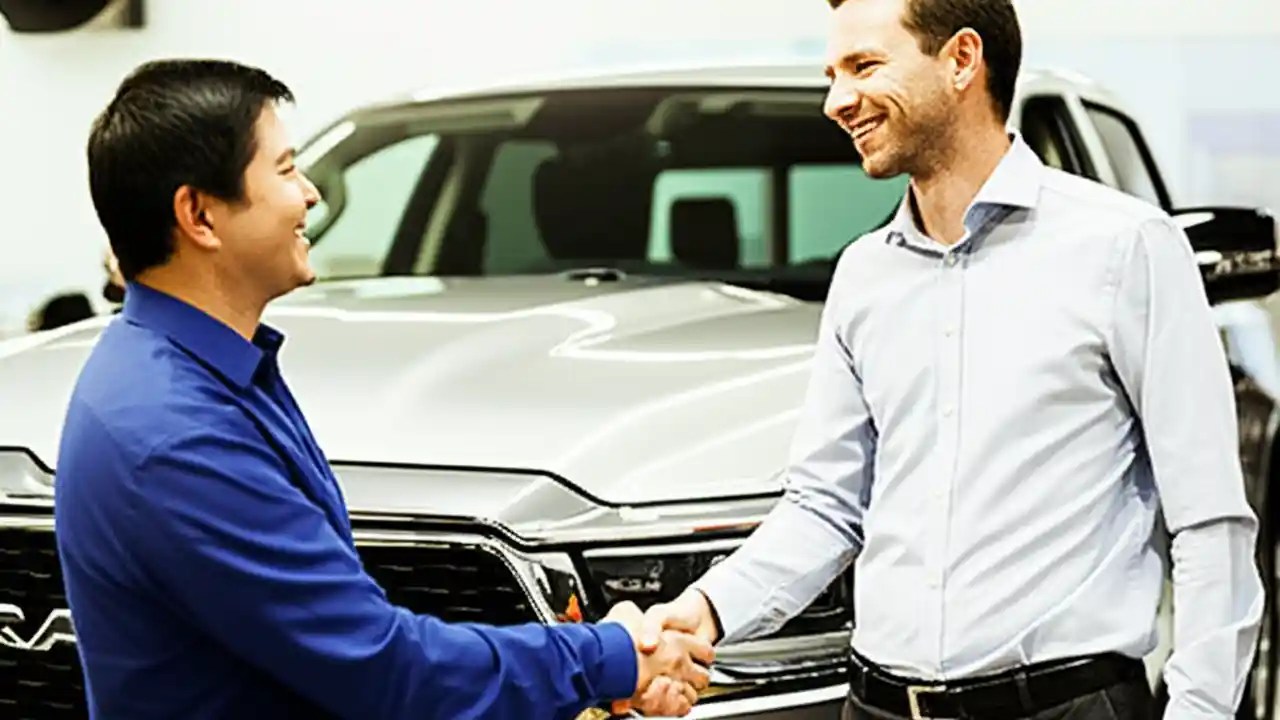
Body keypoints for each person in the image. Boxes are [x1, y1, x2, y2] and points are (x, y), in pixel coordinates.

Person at [637, 0, 1264, 718]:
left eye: (864, 66)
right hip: (877, 705)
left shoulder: (1125, 248)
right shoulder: (865, 274)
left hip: (1061, 707)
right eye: (832, 75)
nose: (837, 101)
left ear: (962, 60)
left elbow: (1210, 523)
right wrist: (704, 612)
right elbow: (826, 507)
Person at [53, 58, 711, 720]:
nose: (311, 195)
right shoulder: (175, 433)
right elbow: (382, 670)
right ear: (199, 215)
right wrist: (611, 656)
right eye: (285, 170)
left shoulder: (195, 373)